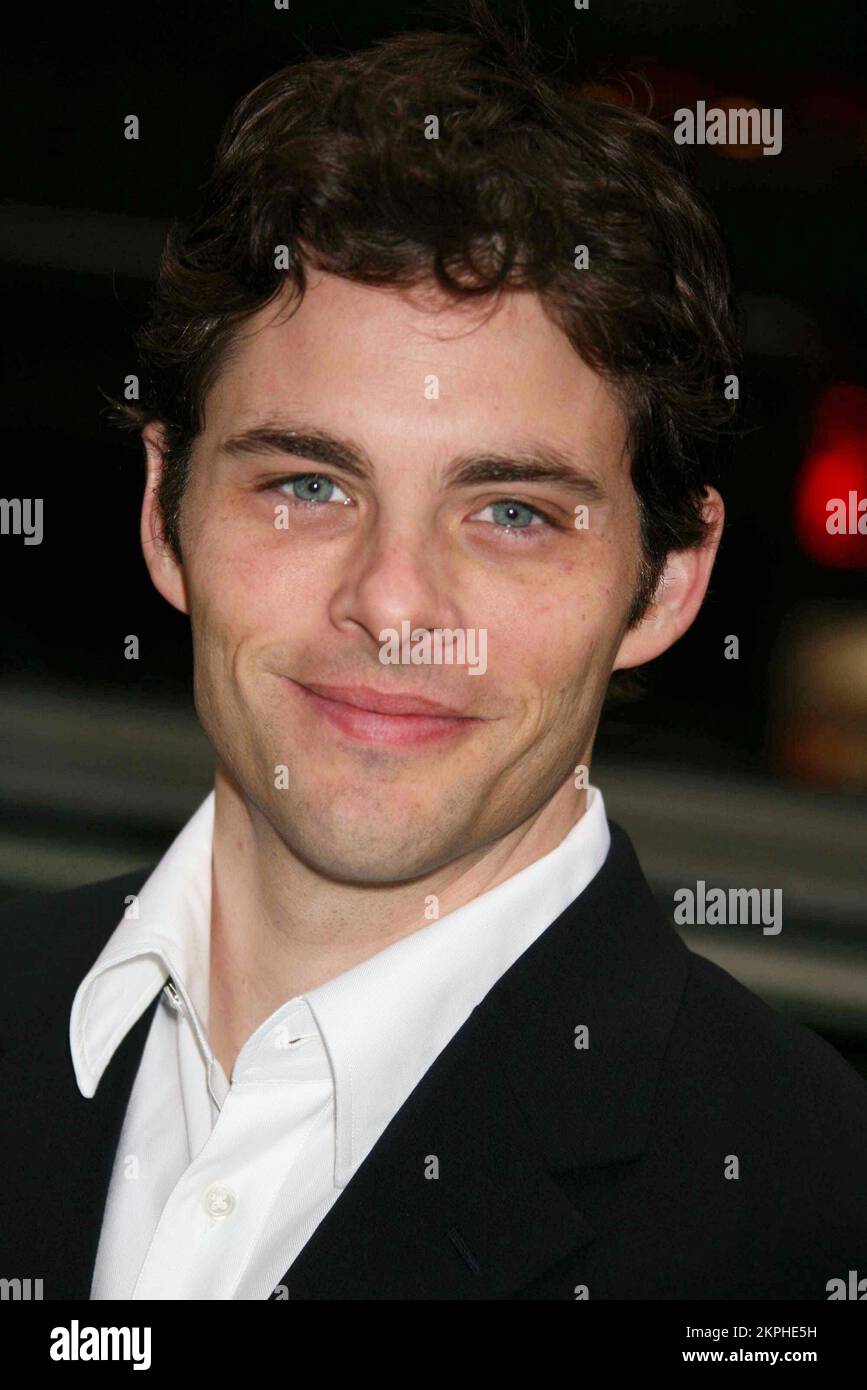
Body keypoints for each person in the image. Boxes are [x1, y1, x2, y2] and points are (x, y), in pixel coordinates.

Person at [3, 7, 866, 1300]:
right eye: (307, 484)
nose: (394, 604)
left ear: (669, 580)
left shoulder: (811, 1216)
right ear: (162, 511)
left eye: (512, 513)